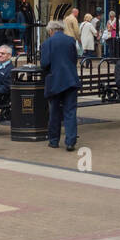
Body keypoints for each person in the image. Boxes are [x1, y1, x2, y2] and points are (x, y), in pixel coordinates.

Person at [41, 20, 80, 150]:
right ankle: (70, 142)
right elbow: (74, 59)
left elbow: (44, 63)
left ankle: (54, 140)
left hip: (55, 82)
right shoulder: (71, 41)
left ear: (51, 31)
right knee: (70, 112)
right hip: (70, 80)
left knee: (55, 112)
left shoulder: (47, 43)